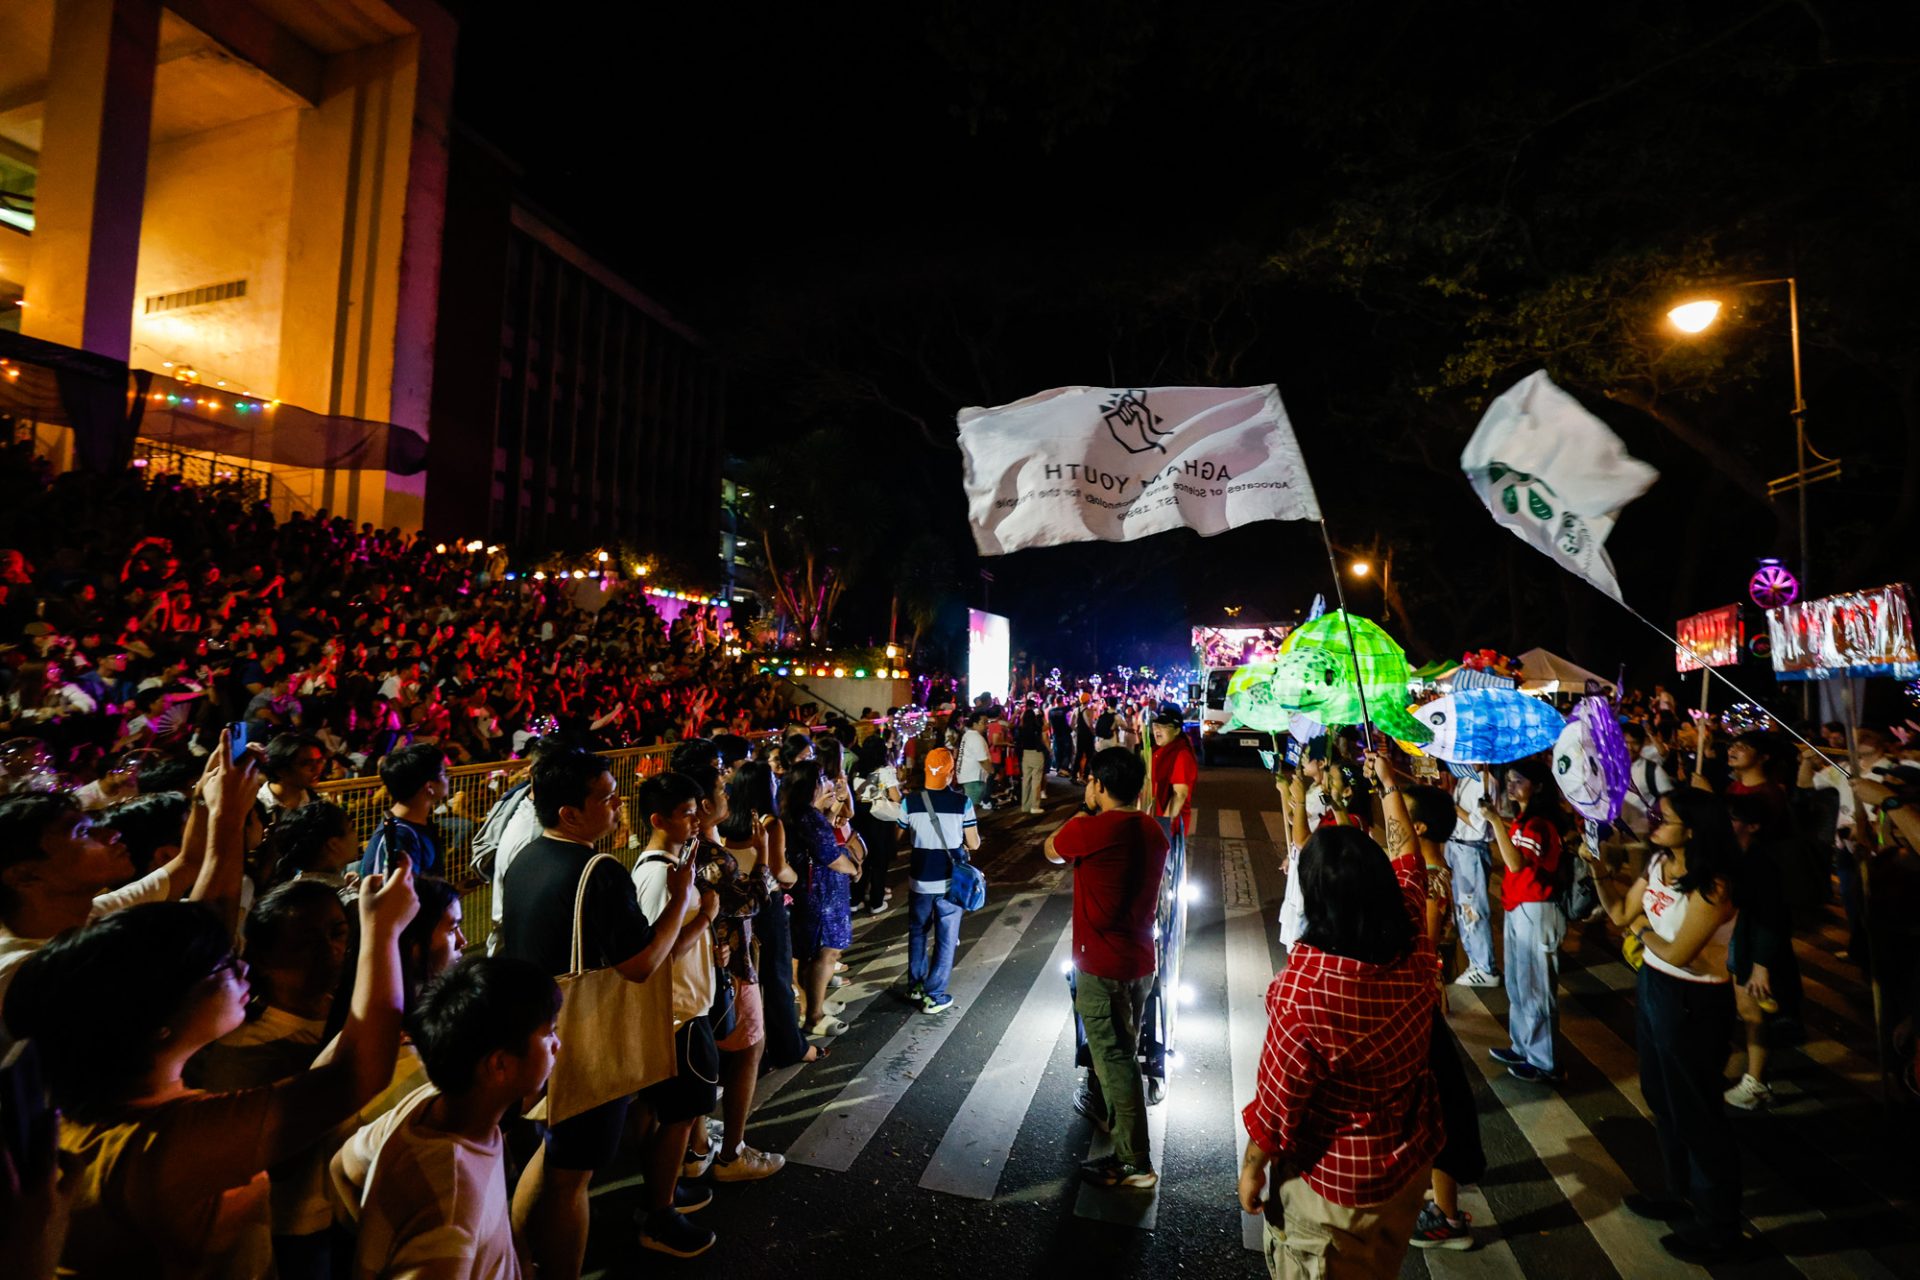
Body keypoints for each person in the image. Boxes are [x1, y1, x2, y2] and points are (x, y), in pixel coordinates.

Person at [2, 856, 418, 1278]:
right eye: (220, 967)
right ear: (156, 1020)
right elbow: (353, 1077)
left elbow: (325, 1079)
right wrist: (382, 931)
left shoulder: (86, 1112)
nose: (242, 968)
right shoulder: (165, 1143)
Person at [498, 745, 690, 1280]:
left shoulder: (524, 859)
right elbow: (641, 964)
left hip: (536, 1029)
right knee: (571, 1181)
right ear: (570, 813)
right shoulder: (598, 869)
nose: (617, 805)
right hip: (583, 1042)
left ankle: (516, 1252)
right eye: (607, 798)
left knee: (554, 1156)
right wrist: (681, 900)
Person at [1238, 823, 1441, 1279]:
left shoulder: (1303, 995)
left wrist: (1253, 1168)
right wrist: (1388, 782)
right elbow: (1410, 860)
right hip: (1407, 1165)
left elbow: (1276, 1109)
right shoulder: (1411, 937)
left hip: (1334, 1187)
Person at [1584, 790, 1742, 1264]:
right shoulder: (1657, 865)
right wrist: (1595, 867)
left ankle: (1720, 1227)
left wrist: (1639, 932)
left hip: (1695, 1000)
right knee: (1660, 1095)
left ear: (1692, 829)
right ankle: (1679, 1193)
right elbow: (1618, 915)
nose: (1652, 821)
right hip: (1655, 986)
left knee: (1697, 1110)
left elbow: (1678, 952)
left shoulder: (1713, 886)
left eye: (1663, 817)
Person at [331, 954, 561, 1280]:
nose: (557, 1044)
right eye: (547, 1034)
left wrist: (378, 1237)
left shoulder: (430, 1103)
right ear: (499, 1065)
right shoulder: (453, 1203)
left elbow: (342, 1166)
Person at [1042, 746, 1169, 1189]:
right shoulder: (1153, 830)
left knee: (1115, 1061)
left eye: (1090, 782)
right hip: (1139, 962)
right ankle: (1119, 1131)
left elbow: (1051, 849)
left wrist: (1083, 810)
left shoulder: (1095, 831)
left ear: (1098, 785)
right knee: (1120, 1052)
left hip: (1101, 965)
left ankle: (1136, 1162)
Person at [629, 771, 724, 1259]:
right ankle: (658, 1213)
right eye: (686, 813)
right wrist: (706, 915)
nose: (695, 819)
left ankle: (662, 1192)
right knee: (681, 1112)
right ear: (657, 819)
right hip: (677, 1015)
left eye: (696, 810)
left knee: (681, 1113)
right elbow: (655, 953)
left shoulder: (676, 865)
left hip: (691, 1006)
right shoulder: (653, 875)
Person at [679, 763, 784, 1184]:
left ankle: (698, 1146)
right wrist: (761, 859)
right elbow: (750, 904)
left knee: (701, 1060)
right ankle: (733, 1152)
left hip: (704, 968)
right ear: (704, 806)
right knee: (747, 1051)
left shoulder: (682, 848)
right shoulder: (714, 855)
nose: (728, 794)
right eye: (721, 788)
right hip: (733, 966)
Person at [1484, 759, 1566, 1083]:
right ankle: (1523, 1046)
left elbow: (1516, 865)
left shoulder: (1539, 824)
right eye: (1510, 779)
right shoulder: (1522, 820)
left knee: (1536, 987)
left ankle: (1545, 1061)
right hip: (1519, 906)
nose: (1511, 784)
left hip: (1536, 908)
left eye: (1519, 780)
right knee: (1519, 984)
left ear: (1540, 786)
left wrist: (1493, 821)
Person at [1721, 791, 1802, 1111]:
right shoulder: (1735, 856)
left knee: (1753, 1016)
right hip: (1739, 944)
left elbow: (1773, 917)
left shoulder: (1763, 864)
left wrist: (1761, 964)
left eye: (1733, 819)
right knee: (1746, 1014)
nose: (1726, 824)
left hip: (1753, 949)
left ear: (1753, 826)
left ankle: (1756, 1082)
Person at [897, 746, 978, 1015]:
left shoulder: (910, 801)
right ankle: (934, 995)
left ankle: (915, 986)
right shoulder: (962, 802)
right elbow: (973, 842)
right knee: (946, 937)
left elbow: (897, 835)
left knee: (918, 931)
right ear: (951, 772)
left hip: (919, 880)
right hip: (948, 883)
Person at [784, 759, 859, 1033]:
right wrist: (853, 869)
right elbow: (830, 856)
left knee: (809, 955)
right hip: (822, 895)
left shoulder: (796, 813)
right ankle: (814, 1016)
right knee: (825, 953)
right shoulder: (808, 817)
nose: (827, 784)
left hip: (807, 892)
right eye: (821, 780)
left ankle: (811, 1008)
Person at [359, 743, 449, 879]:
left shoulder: (418, 825)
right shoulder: (397, 837)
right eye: (444, 774)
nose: (448, 779)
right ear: (429, 786)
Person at [1445, 768, 1500, 988]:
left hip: (1472, 849)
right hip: (1458, 847)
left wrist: (1454, 807)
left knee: (1474, 908)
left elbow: (1478, 824)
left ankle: (1485, 967)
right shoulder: (1466, 777)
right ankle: (1474, 962)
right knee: (1464, 907)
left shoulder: (1487, 782)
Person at [1148, 709, 1197, 841]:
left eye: (1164, 726)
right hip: (1154, 819)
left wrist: (1163, 826)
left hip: (1170, 825)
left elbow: (1180, 794)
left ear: (1176, 731)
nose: (1158, 730)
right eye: (1156, 725)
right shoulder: (1157, 751)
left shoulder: (1181, 755)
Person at [1017, 698, 1049, 815]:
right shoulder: (1036, 727)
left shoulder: (1021, 728)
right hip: (1036, 754)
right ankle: (1034, 806)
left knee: (1026, 780)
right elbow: (1047, 726)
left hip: (1025, 754)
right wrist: (1043, 717)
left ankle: (1025, 805)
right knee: (1036, 781)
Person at [957, 713, 992, 812]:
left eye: (987, 722)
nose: (986, 725)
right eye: (984, 723)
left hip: (969, 776)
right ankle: (969, 826)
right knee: (972, 808)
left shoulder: (968, 735)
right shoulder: (975, 737)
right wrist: (992, 771)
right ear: (975, 723)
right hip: (974, 778)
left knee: (971, 806)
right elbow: (982, 759)